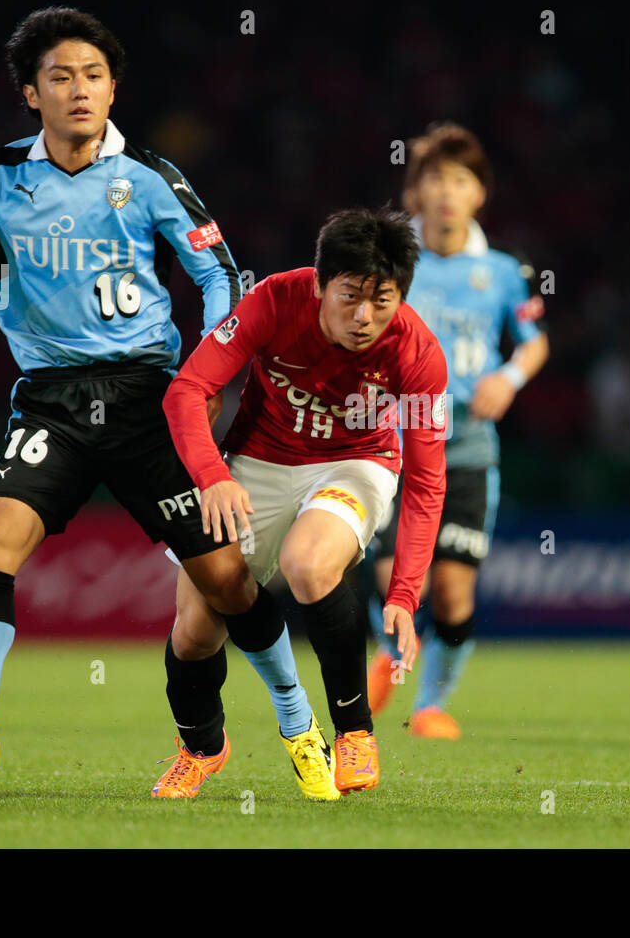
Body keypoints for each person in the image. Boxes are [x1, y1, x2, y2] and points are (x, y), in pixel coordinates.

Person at [0, 8, 317, 784]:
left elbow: (219, 273)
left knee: (224, 581)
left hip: (148, 396)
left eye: (92, 75)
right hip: (49, 399)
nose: (79, 90)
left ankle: (296, 723)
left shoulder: (148, 177)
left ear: (113, 87)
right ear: (29, 93)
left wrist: (209, 371)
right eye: (60, 77)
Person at [159, 207, 447, 795]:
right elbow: (188, 390)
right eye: (349, 296)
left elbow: (425, 480)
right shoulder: (273, 300)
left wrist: (405, 591)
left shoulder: (419, 355)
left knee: (309, 564)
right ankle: (202, 747)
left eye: (382, 300)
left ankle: (354, 733)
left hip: (356, 463)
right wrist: (212, 474)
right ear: (319, 285)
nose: (364, 317)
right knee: (194, 631)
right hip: (257, 462)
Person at [365, 124, 548, 738]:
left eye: (461, 180)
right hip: (390, 437)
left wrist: (510, 378)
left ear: (480, 195)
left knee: (451, 592)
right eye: (435, 179)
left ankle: (432, 705)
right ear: (414, 193)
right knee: (388, 572)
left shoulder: (501, 271)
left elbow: (534, 342)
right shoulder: (389, 261)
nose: (447, 192)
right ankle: (389, 659)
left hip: (466, 442)